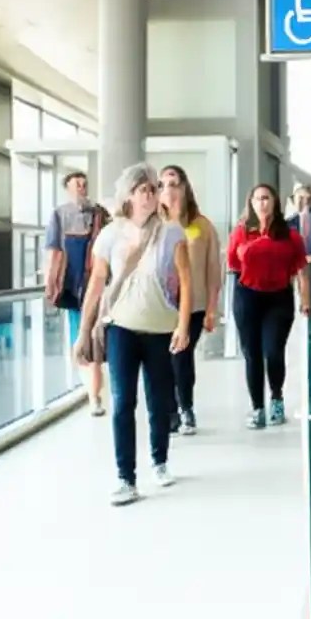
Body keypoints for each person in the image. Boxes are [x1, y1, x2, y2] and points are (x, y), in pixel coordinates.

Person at [75, 163, 192, 506]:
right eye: (145, 190)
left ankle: (159, 461)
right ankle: (126, 477)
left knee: (159, 400)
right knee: (123, 401)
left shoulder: (172, 233)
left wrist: (184, 325)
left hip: (159, 328)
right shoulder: (110, 234)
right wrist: (85, 331)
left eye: (154, 190)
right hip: (121, 327)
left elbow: (185, 282)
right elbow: (97, 283)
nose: (152, 195)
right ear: (129, 195)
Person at [227, 184, 311, 429]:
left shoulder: (291, 236)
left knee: (273, 351)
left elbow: (301, 271)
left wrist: (305, 299)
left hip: (279, 298)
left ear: (275, 202)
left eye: (266, 198)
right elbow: (233, 264)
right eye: (257, 199)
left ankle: (276, 397)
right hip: (248, 297)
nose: (262, 203)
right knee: (252, 354)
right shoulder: (241, 232)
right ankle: (257, 408)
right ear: (251, 203)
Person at [159, 165, 221, 435]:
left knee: (181, 356)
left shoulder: (201, 225)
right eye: (162, 184)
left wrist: (211, 308)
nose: (168, 190)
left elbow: (212, 270)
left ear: (185, 188)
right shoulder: (153, 225)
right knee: (163, 360)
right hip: (161, 306)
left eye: (174, 183)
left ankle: (185, 407)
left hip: (193, 306)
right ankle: (169, 409)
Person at [44, 171, 110, 416]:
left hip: (98, 284)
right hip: (73, 286)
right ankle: (93, 395)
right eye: (77, 184)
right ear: (68, 188)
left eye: (84, 184)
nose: (82, 188)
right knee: (82, 339)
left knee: (93, 338)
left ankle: (94, 395)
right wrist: (51, 284)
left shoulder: (100, 214)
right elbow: (53, 251)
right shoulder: (59, 215)